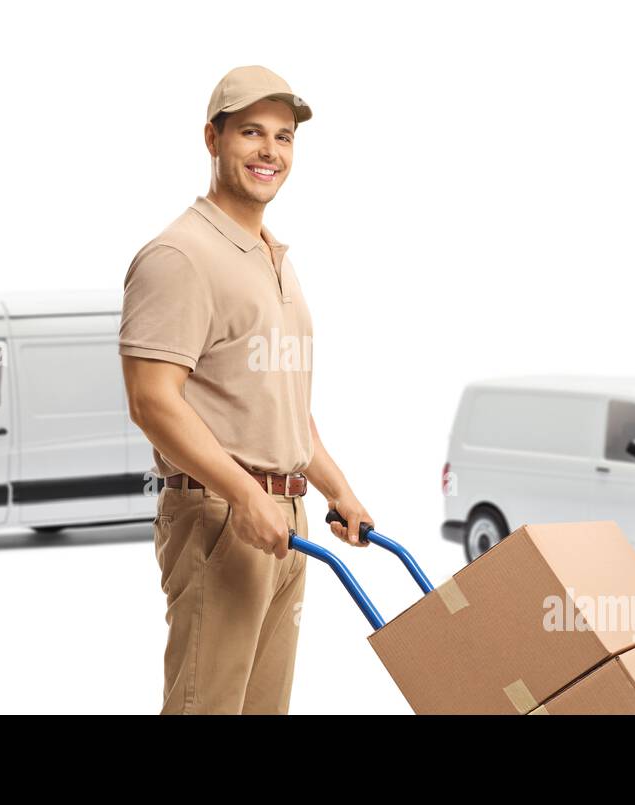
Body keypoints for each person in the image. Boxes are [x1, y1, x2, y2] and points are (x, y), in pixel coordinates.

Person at [119, 65, 374, 714]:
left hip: (285, 517)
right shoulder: (180, 256)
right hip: (221, 514)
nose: (270, 151)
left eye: (284, 137)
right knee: (207, 706)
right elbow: (152, 401)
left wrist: (338, 489)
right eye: (251, 133)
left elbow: (280, 405)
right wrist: (243, 493)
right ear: (213, 138)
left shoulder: (271, 258)